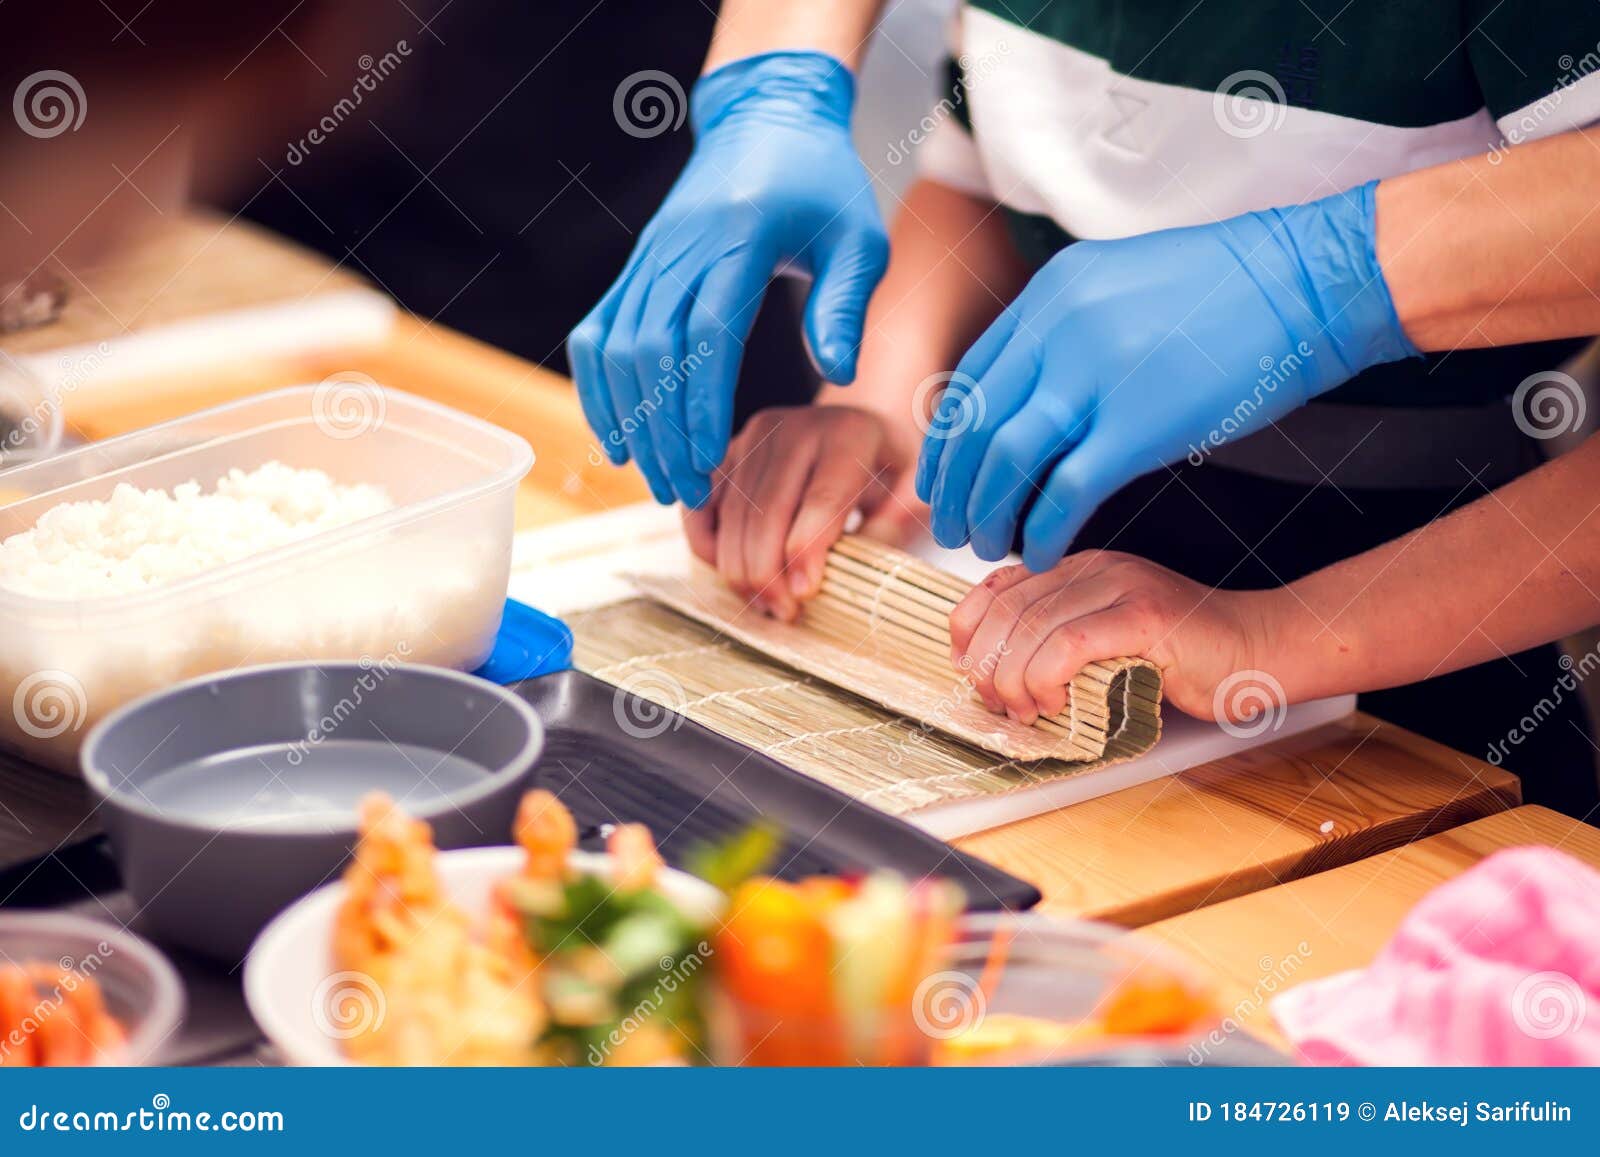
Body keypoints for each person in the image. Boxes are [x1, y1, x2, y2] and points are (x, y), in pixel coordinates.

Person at [570, 0, 1600, 815]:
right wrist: (887, 406)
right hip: (1053, 619)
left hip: (1422, 681)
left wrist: (1266, 641)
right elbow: (996, 177)